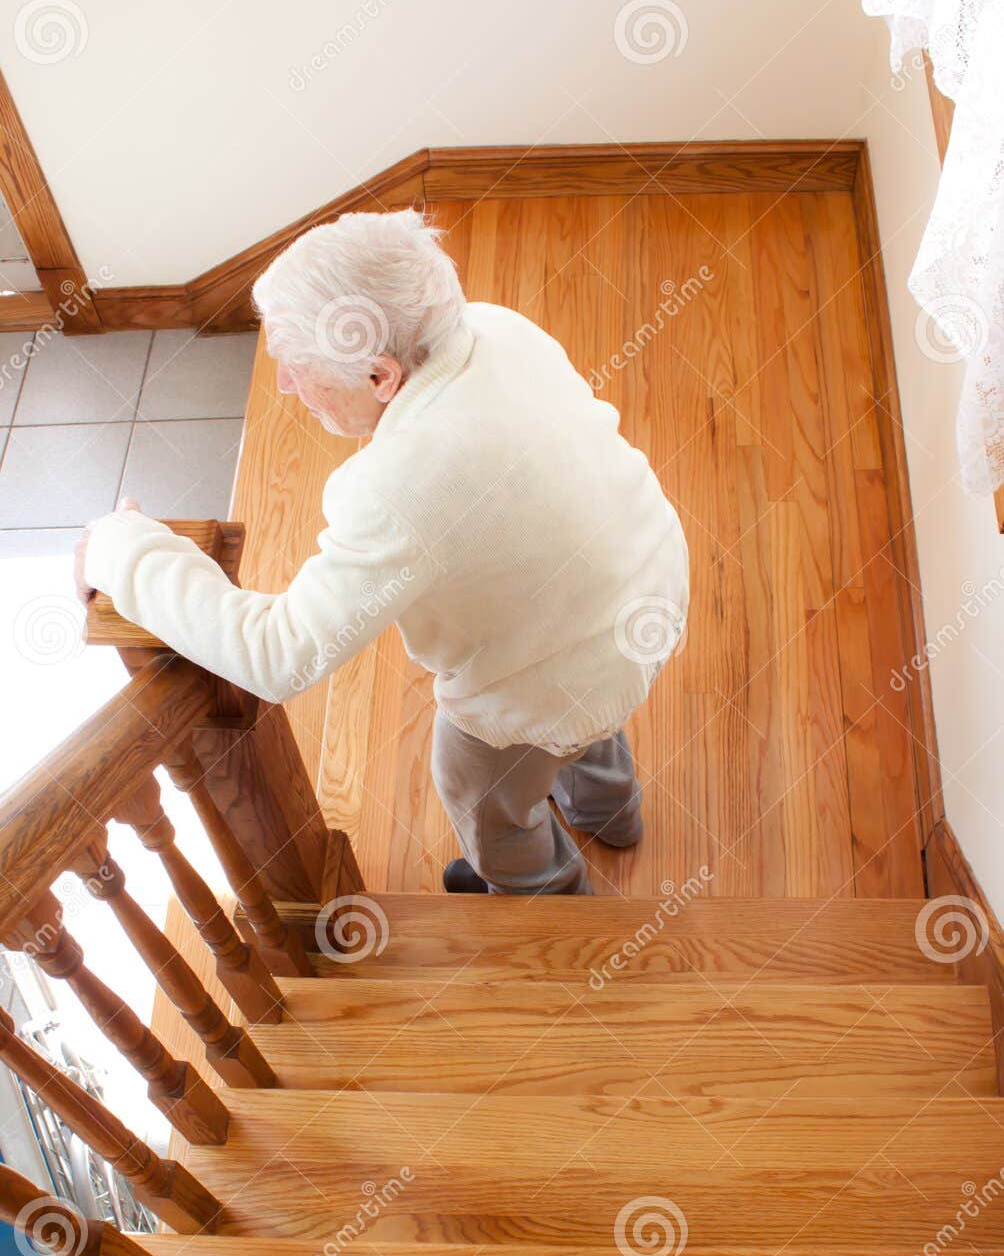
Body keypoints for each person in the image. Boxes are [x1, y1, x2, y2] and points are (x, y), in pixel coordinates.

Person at [76, 209, 689, 897]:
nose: (284, 385)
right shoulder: (495, 327)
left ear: (380, 377)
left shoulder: (399, 485)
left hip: (552, 670)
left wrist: (124, 552)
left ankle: (545, 896)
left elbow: (280, 653)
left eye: (296, 367)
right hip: (644, 591)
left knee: (482, 790)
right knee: (589, 721)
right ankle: (614, 815)